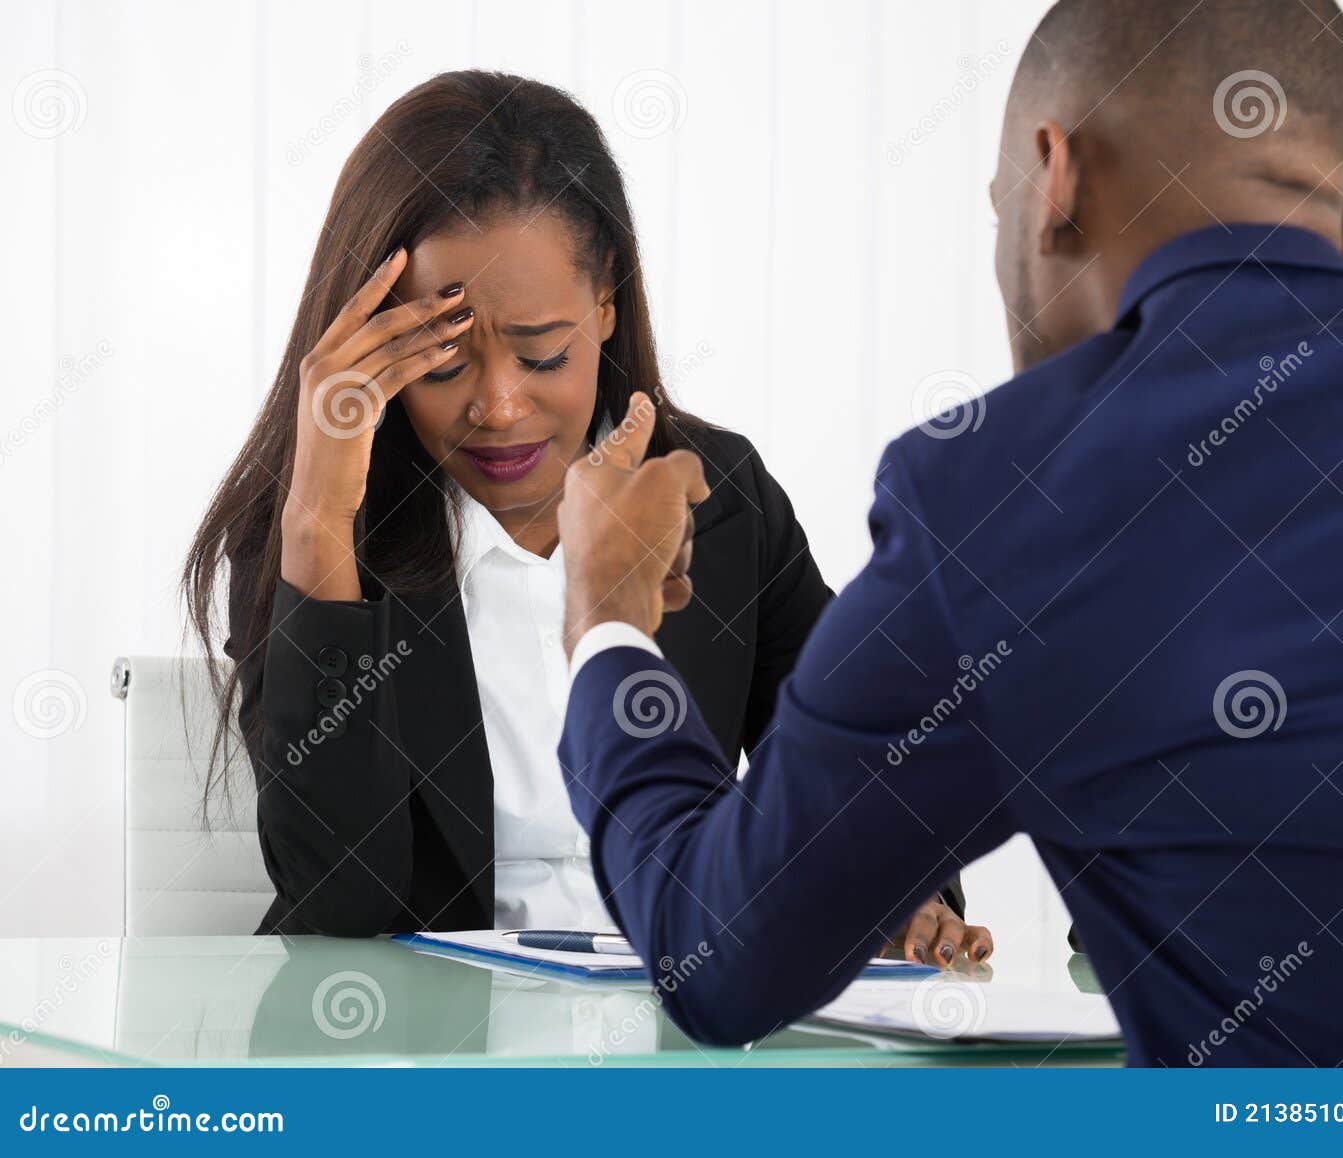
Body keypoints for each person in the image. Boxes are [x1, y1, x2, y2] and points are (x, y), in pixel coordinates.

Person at [553, 0, 1343, 1065]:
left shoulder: (1007, 489)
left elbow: (714, 951)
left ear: (1055, 176)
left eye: (999, 197)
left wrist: (607, 620)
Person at [182, 71, 984, 962]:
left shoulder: (717, 494)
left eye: (544, 354)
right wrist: (320, 518)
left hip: (670, 1040)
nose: (499, 406)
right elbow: (342, 908)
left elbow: (856, 754)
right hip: (428, 1060)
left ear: (605, 305)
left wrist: (902, 893)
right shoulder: (310, 535)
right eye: (441, 364)